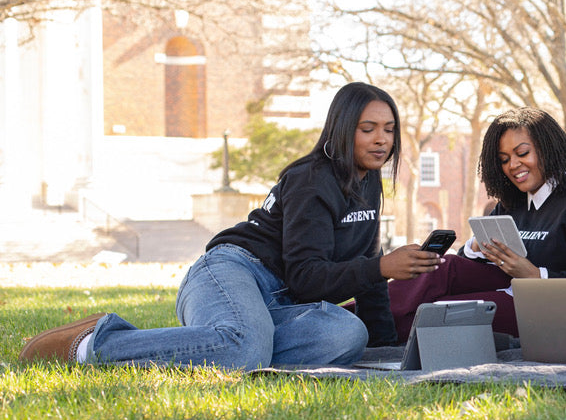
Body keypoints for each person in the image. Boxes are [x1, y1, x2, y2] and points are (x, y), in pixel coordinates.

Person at [19, 83, 442, 370]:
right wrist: (382, 268)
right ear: (342, 128)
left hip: (280, 303)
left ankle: (228, 342)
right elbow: (308, 275)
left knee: (347, 334)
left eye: (388, 129)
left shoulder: (367, 184)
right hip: (232, 271)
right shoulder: (313, 179)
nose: (381, 139)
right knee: (245, 348)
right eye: (368, 129)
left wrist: (387, 349)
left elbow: (363, 271)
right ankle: (95, 344)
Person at [390, 107, 566, 338]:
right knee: (445, 266)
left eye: (523, 153)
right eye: (504, 159)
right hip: (502, 285)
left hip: (545, 307)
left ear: (548, 149)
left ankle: (374, 329)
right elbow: (469, 265)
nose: (513, 165)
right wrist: (476, 248)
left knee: (438, 310)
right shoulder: (512, 202)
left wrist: (535, 275)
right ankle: (357, 315)